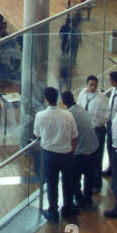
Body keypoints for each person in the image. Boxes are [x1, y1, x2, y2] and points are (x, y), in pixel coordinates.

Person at [32, 86, 77, 222]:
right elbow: (75, 136)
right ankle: (67, 208)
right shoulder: (68, 115)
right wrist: (72, 152)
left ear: (46, 100)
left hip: (49, 155)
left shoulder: (40, 116)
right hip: (66, 153)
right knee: (67, 182)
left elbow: (37, 135)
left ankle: (53, 211)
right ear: (57, 99)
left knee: (51, 183)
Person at [61, 90, 99, 209]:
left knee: (74, 177)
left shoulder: (68, 115)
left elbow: (68, 135)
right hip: (93, 147)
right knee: (89, 175)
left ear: (63, 102)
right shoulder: (81, 109)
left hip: (81, 151)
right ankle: (88, 198)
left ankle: (78, 199)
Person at [78, 75, 109, 196]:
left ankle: (97, 183)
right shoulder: (82, 93)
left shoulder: (101, 98)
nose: (93, 87)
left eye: (95, 85)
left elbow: (106, 114)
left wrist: (98, 121)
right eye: (90, 85)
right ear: (86, 84)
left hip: (97, 130)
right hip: (85, 129)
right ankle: (87, 182)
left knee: (96, 157)